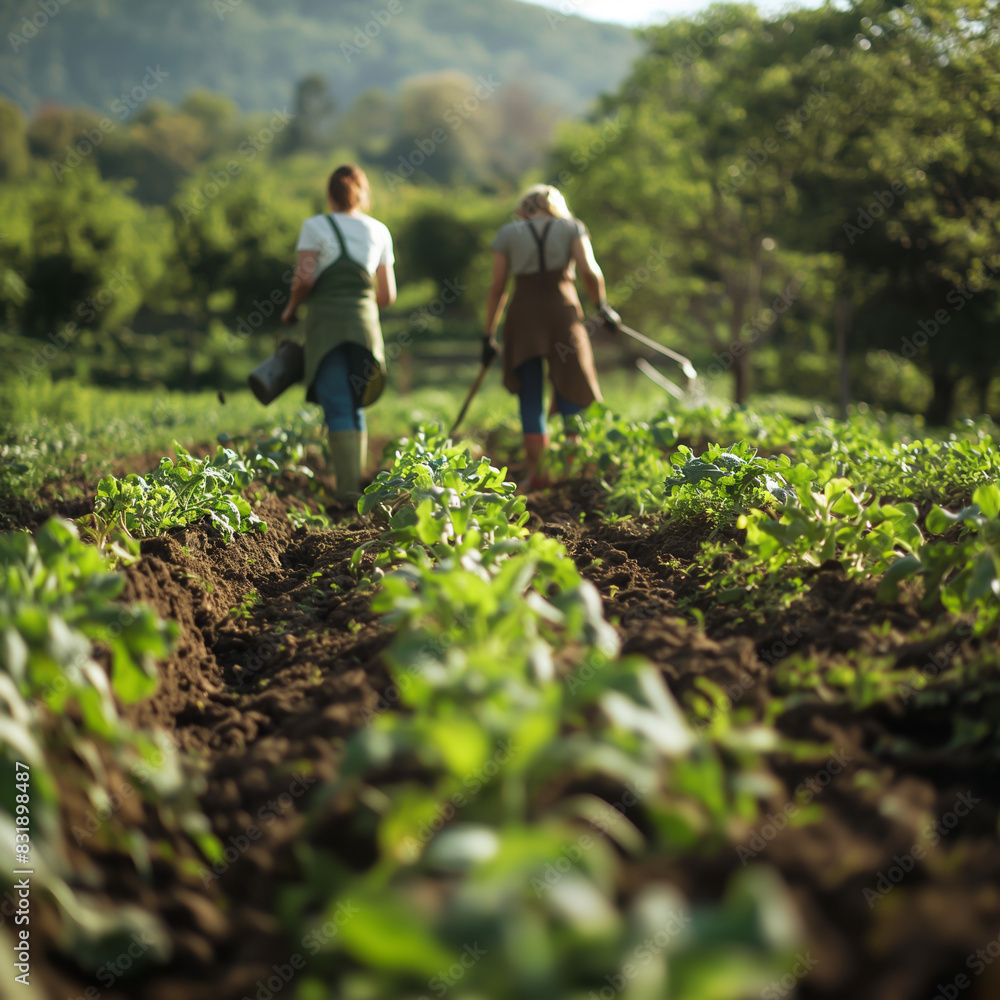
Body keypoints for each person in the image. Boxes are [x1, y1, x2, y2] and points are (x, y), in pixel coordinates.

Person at [483, 184, 619, 490]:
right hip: (563, 313)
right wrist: (603, 308)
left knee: (530, 397)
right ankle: (571, 472)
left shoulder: (508, 233)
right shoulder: (572, 227)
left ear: (524, 207)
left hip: (524, 315)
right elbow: (590, 272)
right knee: (573, 389)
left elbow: (497, 288)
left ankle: (539, 473)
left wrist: (488, 334)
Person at [281, 164, 396, 497]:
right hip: (365, 328)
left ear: (330, 195)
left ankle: (347, 494)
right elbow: (387, 296)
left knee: (336, 402)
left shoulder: (315, 226)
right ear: (361, 195)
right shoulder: (379, 230)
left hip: (326, 326)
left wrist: (291, 309)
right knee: (355, 402)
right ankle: (356, 486)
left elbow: (304, 279)